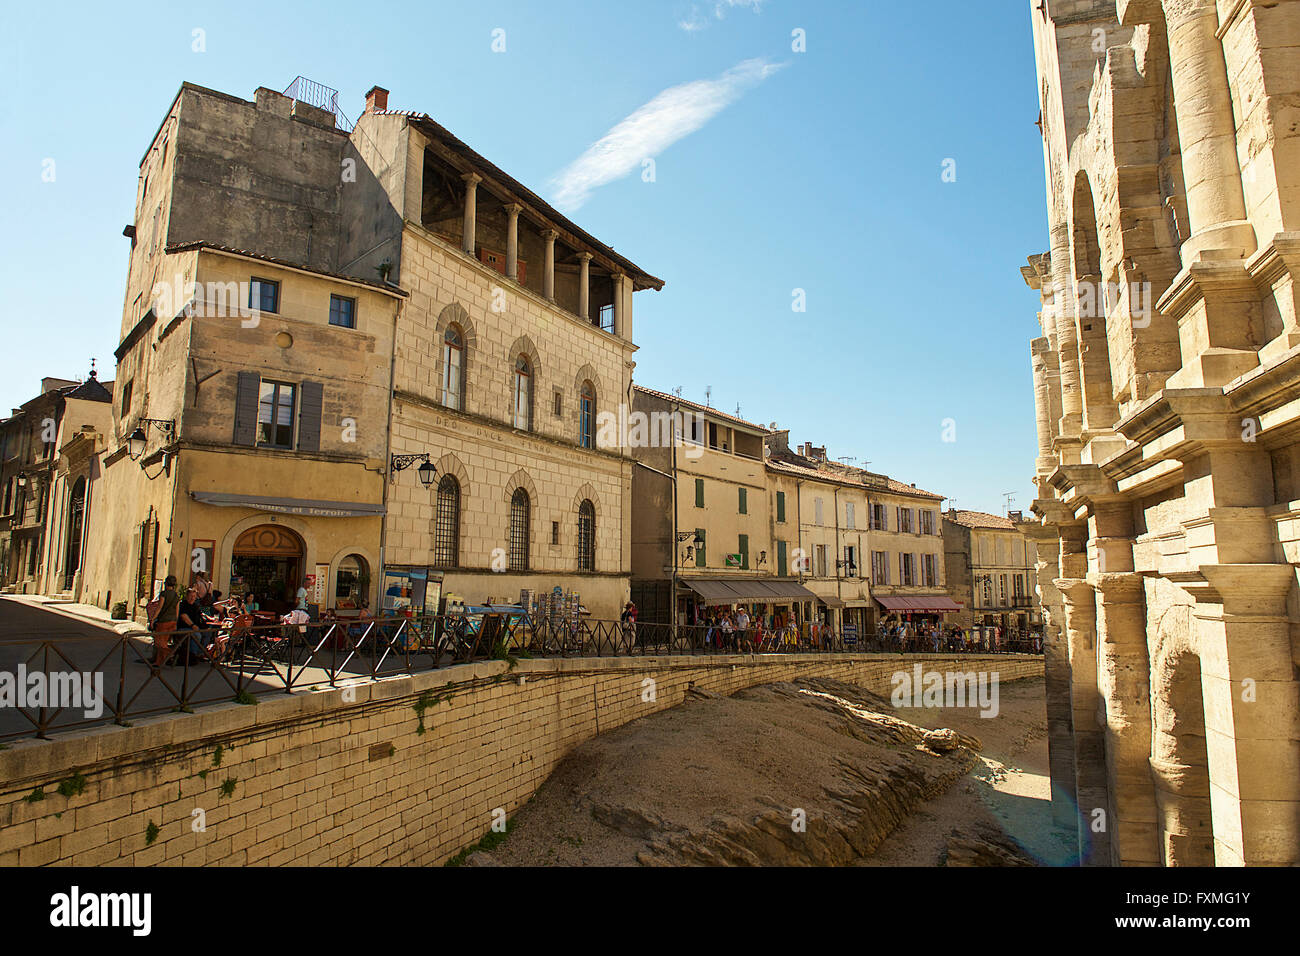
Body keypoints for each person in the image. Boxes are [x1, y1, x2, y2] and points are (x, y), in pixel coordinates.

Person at [150, 576, 181, 669]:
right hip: (172, 621)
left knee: (159, 642)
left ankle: (171, 655)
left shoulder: (164, 594)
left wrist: (153, 619)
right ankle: (158, 662)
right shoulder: (176, 595)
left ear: (166, 584)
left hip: (163, 621)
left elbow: (159, 607)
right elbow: (177, 610)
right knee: (164, 641)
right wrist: (175, 621)